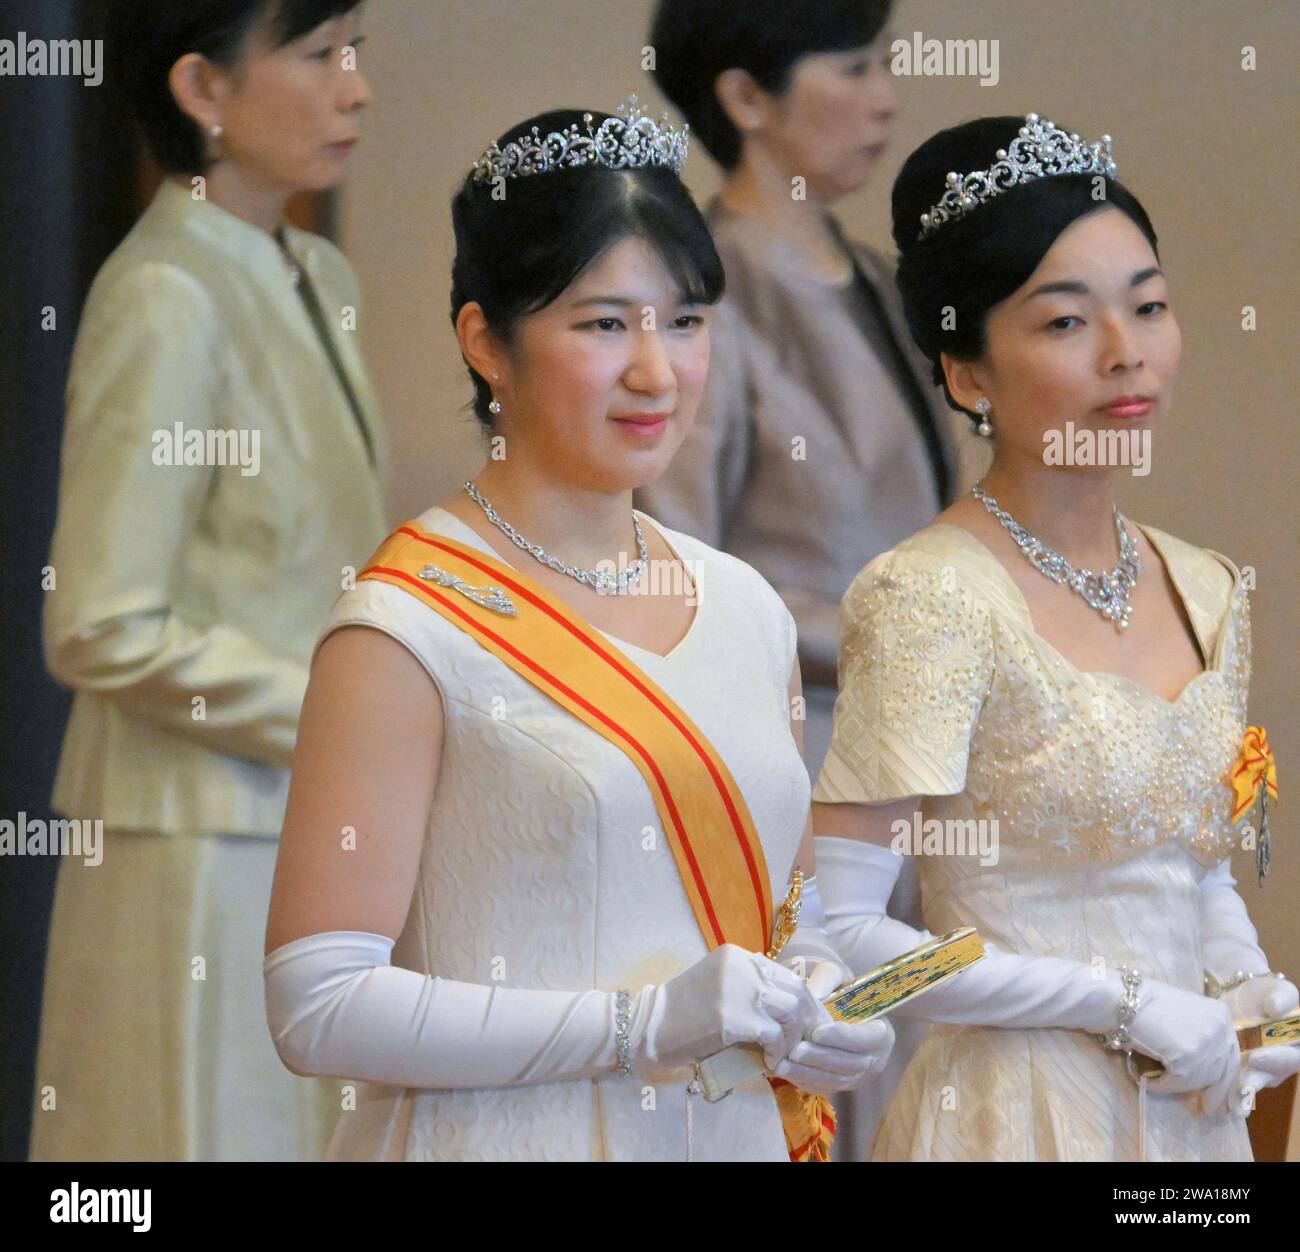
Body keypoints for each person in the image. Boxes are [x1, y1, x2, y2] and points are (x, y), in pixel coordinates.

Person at [262, 99, 896, 1162]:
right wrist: (638, 1025)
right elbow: (316, 1000)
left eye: (686, 321)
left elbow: (793, 912)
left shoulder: (744, 605)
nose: (658, 371)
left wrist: (823, 988)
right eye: (604, 324)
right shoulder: (406, 620)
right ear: (485, 342)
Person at [811, 113, 1300, 1161]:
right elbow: (849, 943)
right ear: (967, 372)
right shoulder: (929, 596)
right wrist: (1111, 998)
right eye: (1066, 322)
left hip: (1190, 1113)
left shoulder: (1209, 587)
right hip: (1010, 1114)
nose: (1130, 356)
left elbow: (1198, 869)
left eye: (1150, 306)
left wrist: (1251, 992)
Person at [33, 0, 387, 1162]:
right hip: (191, 839)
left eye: (358, 51)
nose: (356, 87)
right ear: (203, 89)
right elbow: (99, 623)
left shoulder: (316, 270)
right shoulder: (165, 292)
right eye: (319, 54)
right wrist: (344, 717)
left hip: (307, 822)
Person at [636, 0, 968, 1161]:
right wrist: (912, 636)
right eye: (854, 65)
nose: (885, 94)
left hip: (913, 759)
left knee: (923, 1060)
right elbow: (679, 564)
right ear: (744, 99)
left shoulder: (873, 274)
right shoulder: (704, 294)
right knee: (838, 1070)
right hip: (803, 758)